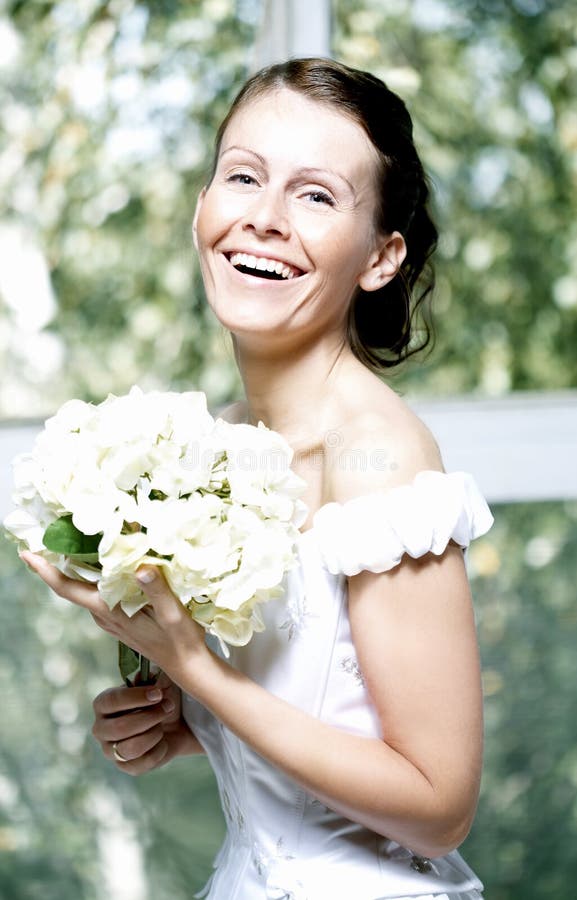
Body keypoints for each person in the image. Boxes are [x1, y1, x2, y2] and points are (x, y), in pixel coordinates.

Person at [22, 58, 493, 899]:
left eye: (315, 195)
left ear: (381, 257)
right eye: (243, 177)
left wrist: (195, 669)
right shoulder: (228, 441)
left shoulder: (376, 458)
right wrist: (191, 724)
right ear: (204, 208)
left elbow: (438, 805)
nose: (264, 219)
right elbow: (329, 708)